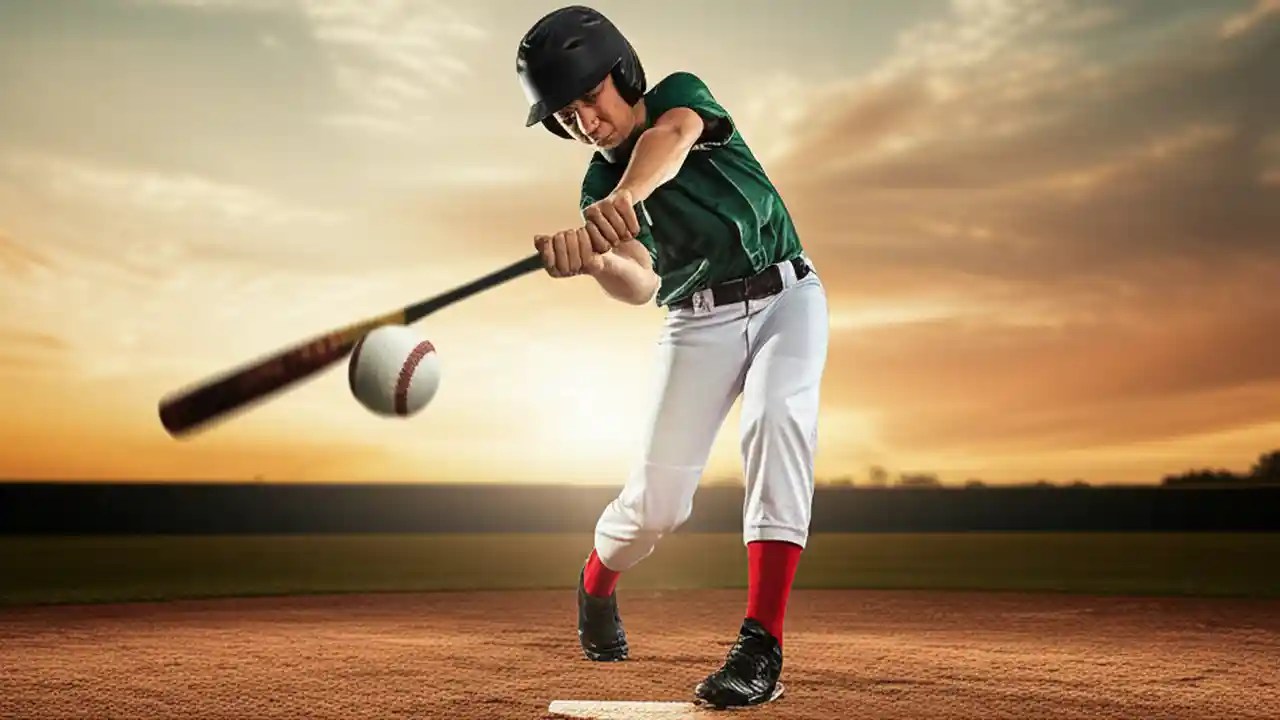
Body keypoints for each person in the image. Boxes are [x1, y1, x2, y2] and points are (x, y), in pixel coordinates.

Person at [515, 5, 829, 709]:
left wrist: (627, 196)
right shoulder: (596, 190)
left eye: (589, 98)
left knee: (779, 420)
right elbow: (642, 281)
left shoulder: (678, 97)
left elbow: (676, 137)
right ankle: (596, 582)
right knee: (657, 506)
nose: (583, 123)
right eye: (564, 115)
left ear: (621, 73)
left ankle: (761, 643)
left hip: (788, 294)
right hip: (697, 321)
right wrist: (593, 263)